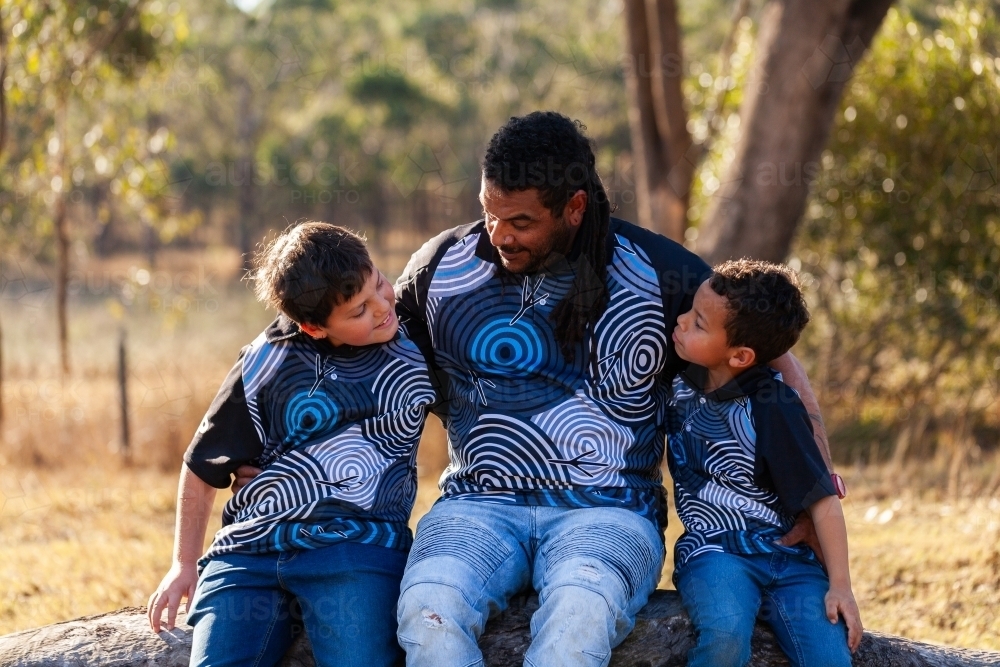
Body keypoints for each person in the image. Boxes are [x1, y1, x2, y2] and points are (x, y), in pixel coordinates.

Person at [386, 111, 838, 666]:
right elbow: (349, 329)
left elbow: (772, 363)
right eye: (488, 214)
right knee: (427, 614)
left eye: (521, 222)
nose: (499, 235)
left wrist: (815, 496)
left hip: (610, 513)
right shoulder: (442, 268)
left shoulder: (658, 271)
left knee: (577, 619)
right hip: (476, 507)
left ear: (574, 207)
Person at [146, 222, 435, 667]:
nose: (381, 308)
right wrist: (184, 565)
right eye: (358, 311)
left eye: (379, 282)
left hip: (354, 548)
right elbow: (203, 465)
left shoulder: (416, 345)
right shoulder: (266, 359)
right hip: (250, 551)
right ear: (314, 327)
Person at [666, 258, 862, 667]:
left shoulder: (774, 406)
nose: (681, 321)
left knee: (831, 658)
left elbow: (822, 499)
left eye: (699, 323)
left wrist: (841, 586)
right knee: (723, 635)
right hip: (715, 551)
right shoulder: (673, 384)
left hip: (790, 562)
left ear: (740, 356)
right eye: (689, 311)